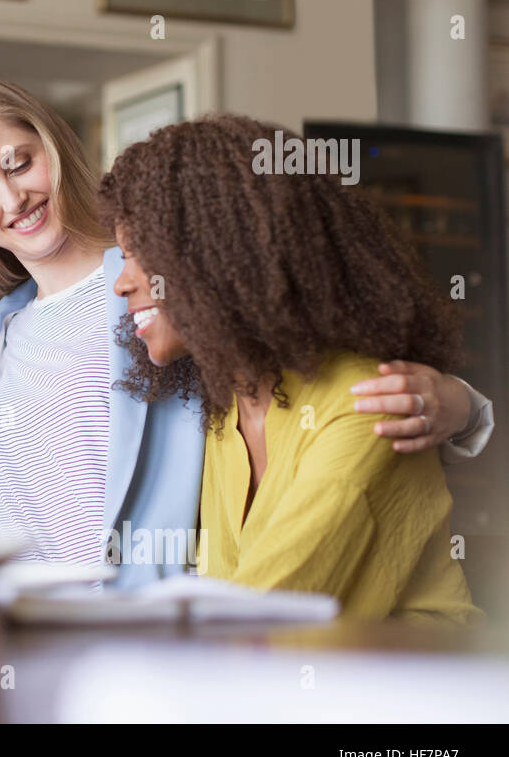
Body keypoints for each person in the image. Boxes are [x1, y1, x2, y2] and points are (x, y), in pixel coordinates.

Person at [0, 76, 494, 585]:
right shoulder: (3, 329)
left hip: (147, 631)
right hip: (30, 632)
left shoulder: (171, 285)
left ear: (52, 145)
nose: (13, 197)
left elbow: (311, 386)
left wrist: (463, 406)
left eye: (20, 163)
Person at [100, 115, 479, 621]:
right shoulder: (223, 406)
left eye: (139, 255)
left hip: (411, 692)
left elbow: (255, 617)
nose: (120, 283)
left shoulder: (369, 404)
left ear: (222, 254)